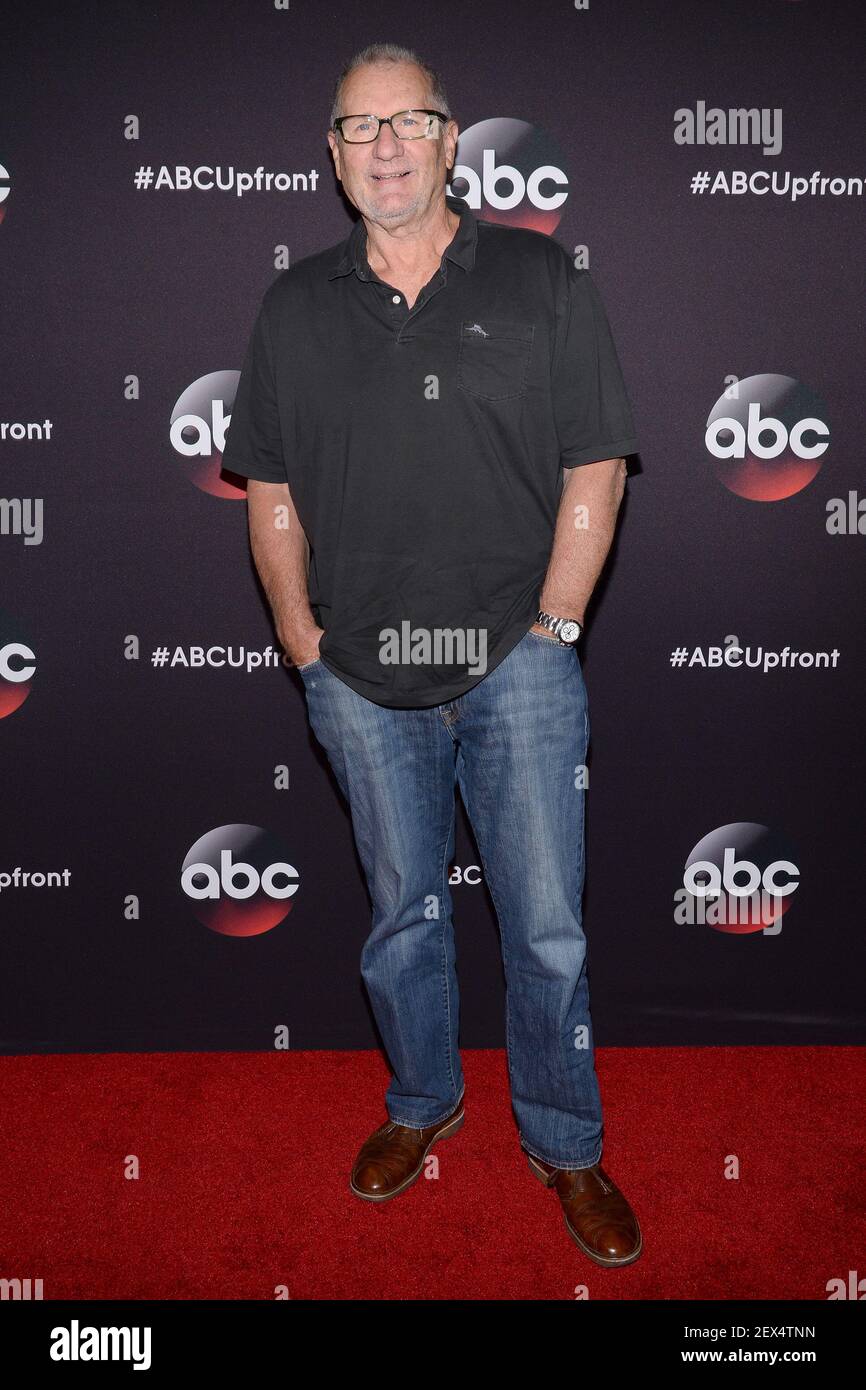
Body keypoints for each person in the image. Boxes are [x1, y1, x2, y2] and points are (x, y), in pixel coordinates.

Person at [222, 42, 642, 1266]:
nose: (386, 147)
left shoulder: (541, 276)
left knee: (546, 927)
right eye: (359, 129)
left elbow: (595, 464)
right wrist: (303, 643)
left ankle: (565, 1141)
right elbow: (271, 488)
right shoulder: (293, 306)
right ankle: (421, 1104)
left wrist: (555, 630)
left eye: (409, 122)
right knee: (399, 921)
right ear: (334, 157)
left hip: (517, 670)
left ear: (453, 140)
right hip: (358, 678)